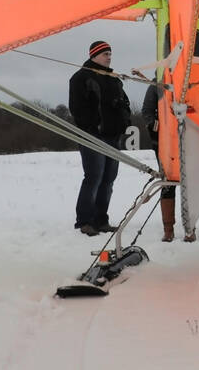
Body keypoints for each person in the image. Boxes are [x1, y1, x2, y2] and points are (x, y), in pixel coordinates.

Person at [69, 41, 132, 236]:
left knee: (108, 179)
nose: (109, 57)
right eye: (105, 54)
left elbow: (125, 102)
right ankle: (85, 221)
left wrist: (123, 118)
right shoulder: (81, 77)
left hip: (113, 136)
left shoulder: (113, 78)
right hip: (92, 136)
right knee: (94, 177)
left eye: (110, 53)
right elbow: (77, 109)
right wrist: (94, 125)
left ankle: (100, 219)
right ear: (94, 55)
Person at [141, 72, 179, 241]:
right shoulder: (157, 85)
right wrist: (155, 126)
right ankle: (168, 228)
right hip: (164, 143)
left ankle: (190, 226)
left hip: (186, 140)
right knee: (168, 182)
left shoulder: (185, 82)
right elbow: (147, 111)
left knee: (189, 184)